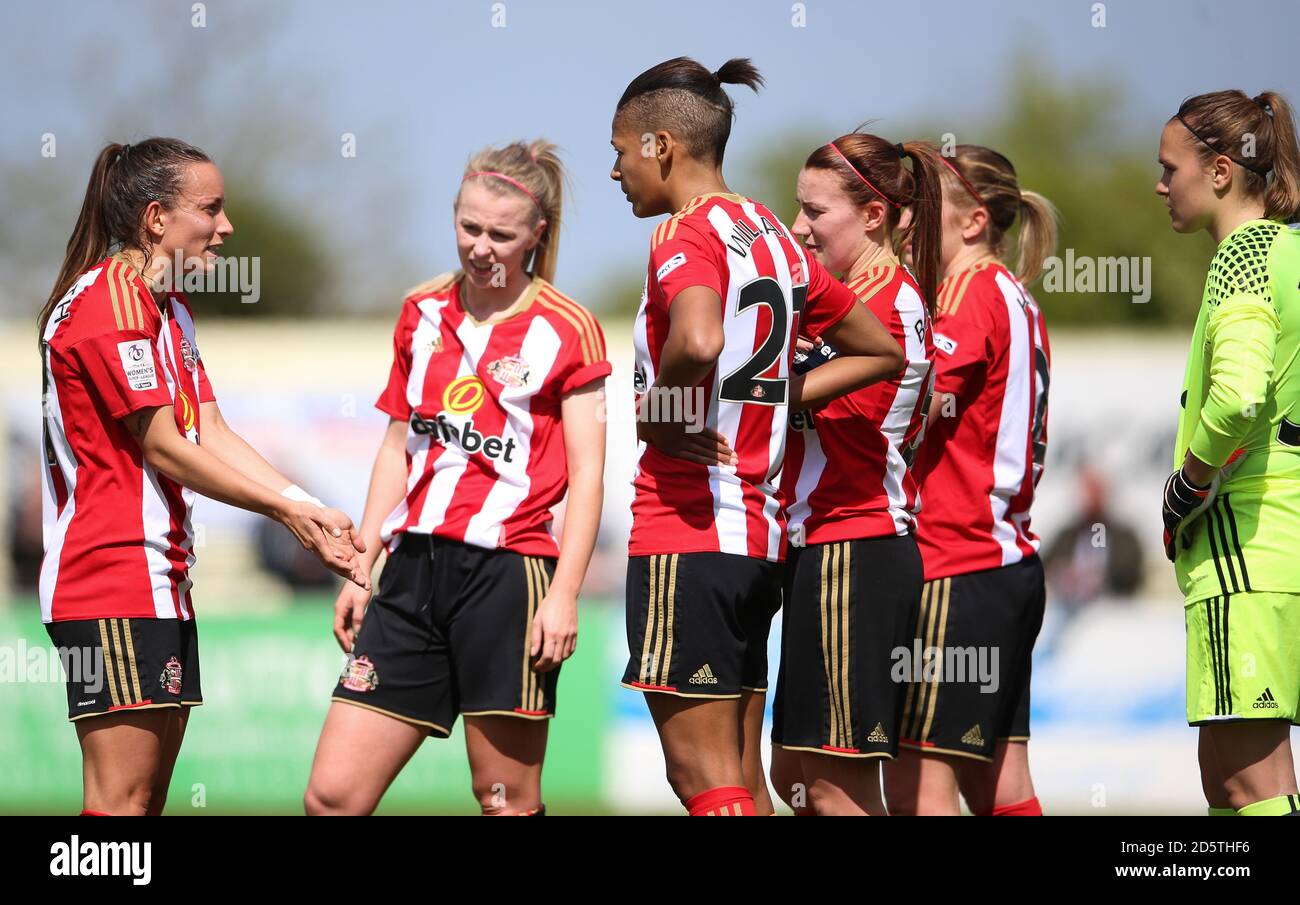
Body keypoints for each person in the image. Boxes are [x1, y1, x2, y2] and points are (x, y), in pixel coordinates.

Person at [610, 56, 905, 816]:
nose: (616, 172)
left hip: (687, 527)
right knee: (744, 776)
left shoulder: (686, 232)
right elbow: (880, 350)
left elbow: (700, 338)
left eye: (619, 151)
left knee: (704, 781)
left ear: (661, 147)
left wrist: (662, 413)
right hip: (759, 543)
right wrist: (772, 400)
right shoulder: (772, 234)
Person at [38, 137, 366, 816]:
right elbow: (163, 445)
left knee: (145, 803)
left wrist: (305, 503)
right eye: (211, 209)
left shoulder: (170, 309)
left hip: (159, 577)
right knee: (118, 804)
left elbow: (209, 431)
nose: (227, 226)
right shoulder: (111, 301)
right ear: (157, 218)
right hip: (109, 575)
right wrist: (283, 513)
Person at [305, 140, 609, 816]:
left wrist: (563, 595)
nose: (480, 246)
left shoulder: (569, 328)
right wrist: (363, 565)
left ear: (537, 234)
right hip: (412, 571)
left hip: (508, 578)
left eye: (500, 233)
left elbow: (589, 473)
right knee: (331, 796)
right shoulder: (421, 311)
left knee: (503, 799)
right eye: (469, 226)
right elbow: (396, 446)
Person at [767, 132, 940, 815]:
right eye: (797, 209)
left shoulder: (889, 305)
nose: (798, 226)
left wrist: (754, 380)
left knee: (838, 782)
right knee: (793, 773)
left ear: (873, 215)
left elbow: (823, 414)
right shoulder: (842, 300)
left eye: (815, 212)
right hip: (823, 546)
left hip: (856, 545)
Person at [884, 144, 1056, 816]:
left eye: (922, 206)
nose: (905, 220)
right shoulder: (1010, 295)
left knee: (917, 779)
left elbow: (904, 406)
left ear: (973, 221)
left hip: (957, 563)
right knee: (998, 785)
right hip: (1001, 564)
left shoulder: (970, 294)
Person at [1155, 89, 1300, 816]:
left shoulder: (1243, 252)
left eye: (1167, 168)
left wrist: (1188, 482)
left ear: (1219, 172)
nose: (1159, 186)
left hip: (1246, 546)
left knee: (1253, 782)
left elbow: (1239, 396)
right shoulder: (1292, 250)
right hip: (1278, 546)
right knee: (1224, 773)